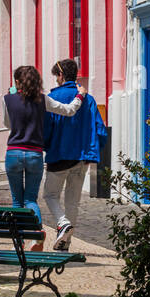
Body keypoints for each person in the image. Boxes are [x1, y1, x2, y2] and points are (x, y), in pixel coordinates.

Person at [3, 64, 85, 251]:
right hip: (34, 154)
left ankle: (20, 241)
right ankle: (37, 236)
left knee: (17, 200)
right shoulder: (43, 99)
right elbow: (69, 110)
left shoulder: (7, 99)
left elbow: (8, 124)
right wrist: (80, 96)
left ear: (17, 82)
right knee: (31, 199)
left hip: (14, 153)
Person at [42, 59, 108, 251]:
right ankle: (66, 243)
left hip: (59, 155)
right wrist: (93, 151)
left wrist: (47, 146)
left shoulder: (54, 97)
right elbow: (100, 130)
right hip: (81, 157)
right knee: (73, 201)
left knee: (50, 195)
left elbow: (46, 129)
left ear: (61, 76)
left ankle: (63, 225)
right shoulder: (89, 99)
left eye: (56, 76)